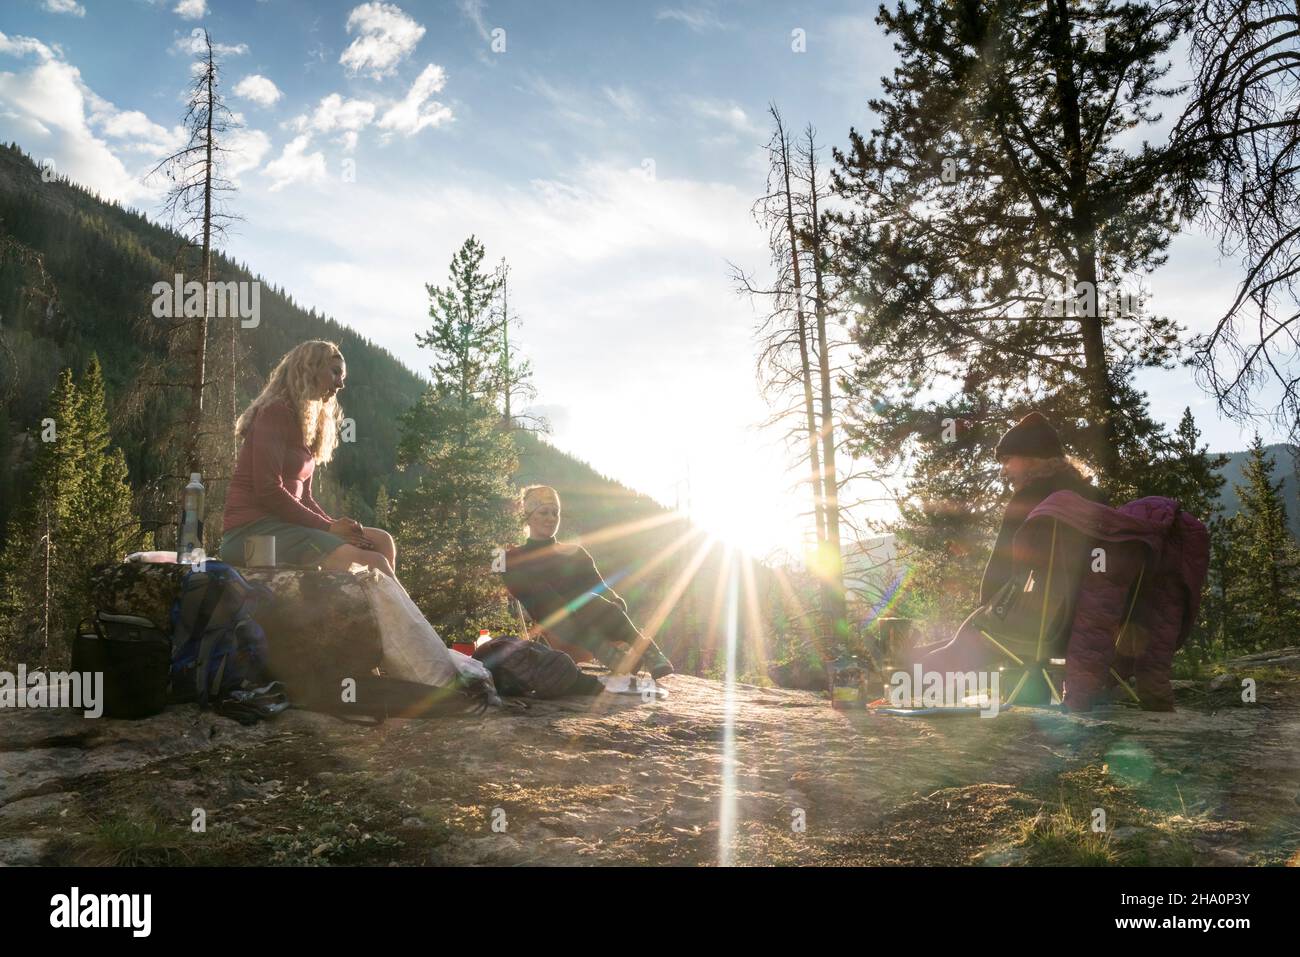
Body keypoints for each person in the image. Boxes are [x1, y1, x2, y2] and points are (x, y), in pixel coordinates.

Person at [904, 412, 1106, 675]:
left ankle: (908, 669)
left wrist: (986, 608)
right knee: (959, 643)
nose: (1003, 470)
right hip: (1090, 626)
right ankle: (913, 658)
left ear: (1033, 457)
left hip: (1038, 627)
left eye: (1008, 460)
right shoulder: (1096, 497)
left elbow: (1001, 563)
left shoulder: (1030, 498)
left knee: (968, 642)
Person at [220, 340, 397, 578]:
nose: (341, 383)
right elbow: (268, 490)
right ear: (310, 369)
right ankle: (401, 616)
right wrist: (329, 528)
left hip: (286, 527)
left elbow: (304, 497)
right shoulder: (275, 412)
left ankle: (374, 614)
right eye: (335, 372)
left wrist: (334, 527)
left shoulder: (306, 424)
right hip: (252, 532)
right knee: (372, 560)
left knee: (382, 542)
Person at [502, 485, 674, 680]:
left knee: (591, 599)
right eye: (543, 512)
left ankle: (644, 652)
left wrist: (616, 603)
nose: (551, 518)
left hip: (591, 624)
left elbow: (601, 589)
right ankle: (611, 653)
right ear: (528, 516)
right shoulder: (513, 557)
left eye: (555, 513)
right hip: (553, 630)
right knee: (547, 595)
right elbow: (527, 596)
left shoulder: (575, 553)